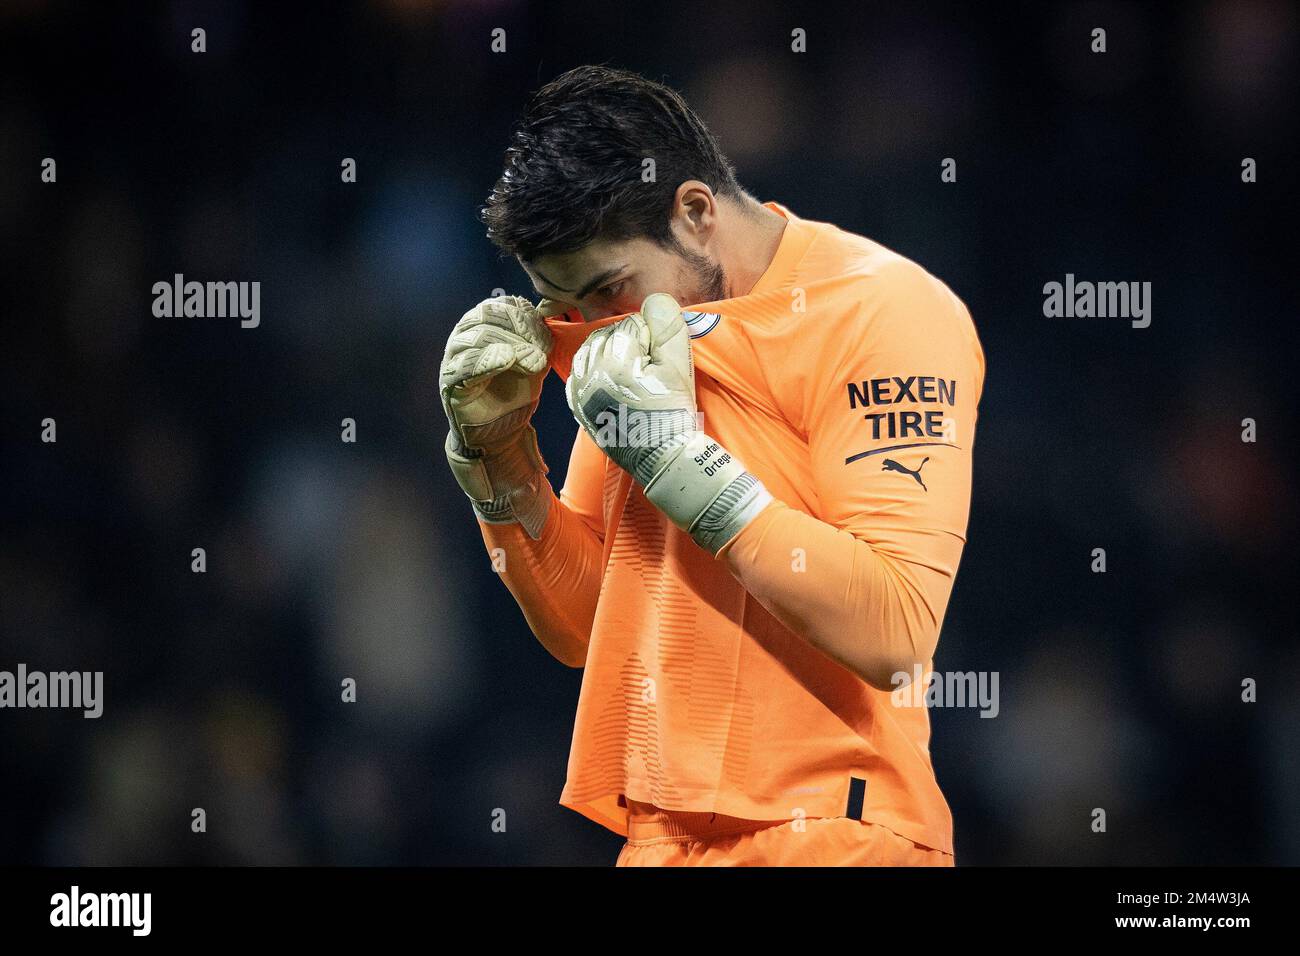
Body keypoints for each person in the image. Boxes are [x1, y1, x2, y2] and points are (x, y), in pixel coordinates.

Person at [440, 65, 984, 866]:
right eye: (567, 308)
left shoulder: (883, 308)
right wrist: (502, 463)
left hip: (835, 834)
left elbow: (896, 629)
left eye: (607, 291)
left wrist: (683, 465)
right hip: (661, 841)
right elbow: (594, 625)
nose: (592, 329)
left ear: (694, 212)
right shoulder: (638, 339)